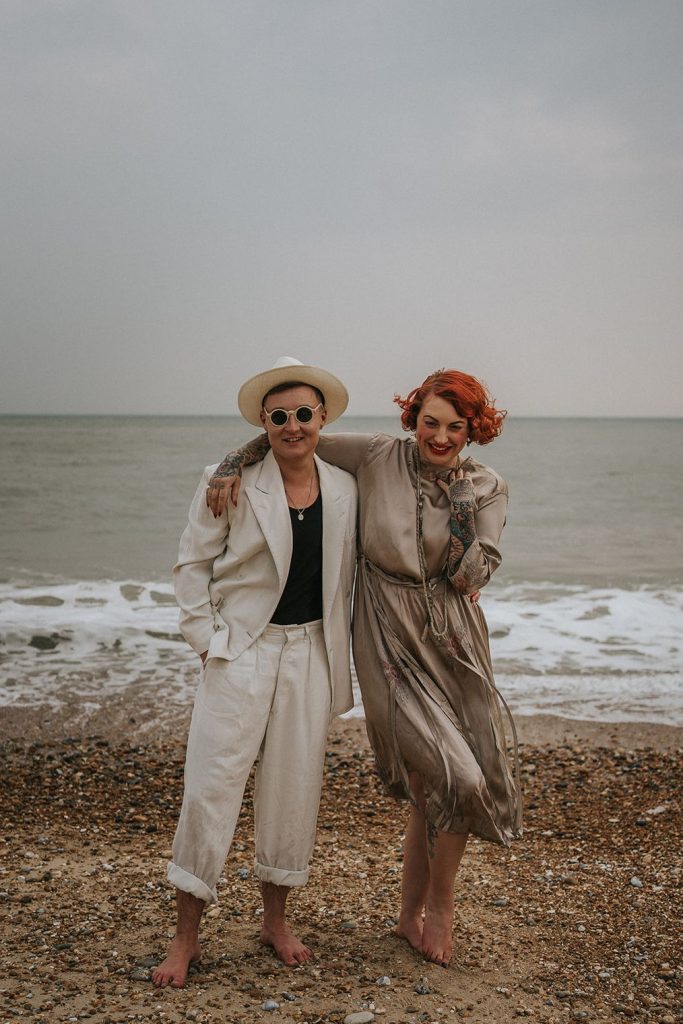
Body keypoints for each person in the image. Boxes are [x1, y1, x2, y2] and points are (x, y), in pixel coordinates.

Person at [205, 367, 522, 968]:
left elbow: (470, 577)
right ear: (413, 417)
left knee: (438, 782)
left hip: (453, 637)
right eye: (430, 421)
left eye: (456, 426)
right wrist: (229, 465)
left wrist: (459, 505)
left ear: (473, 428)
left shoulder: (488, 484)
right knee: (458, 776)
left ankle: (413, 915)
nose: (440, 436)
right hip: (384, 628)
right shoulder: (379, 455)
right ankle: (442, 910)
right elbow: (296, 437)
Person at [152, 357, 357, 987]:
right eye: (279, 416)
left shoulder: (346, 486)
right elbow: (192, 564)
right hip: (243, 647)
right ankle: (185, 938)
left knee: (293, 790)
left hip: (312, 653)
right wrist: (206, 640)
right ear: (263, 423)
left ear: (322, 418)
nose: (292, 425)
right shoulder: (231, 482)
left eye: (303, 414)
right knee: (210, 787)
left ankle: (275, 921)